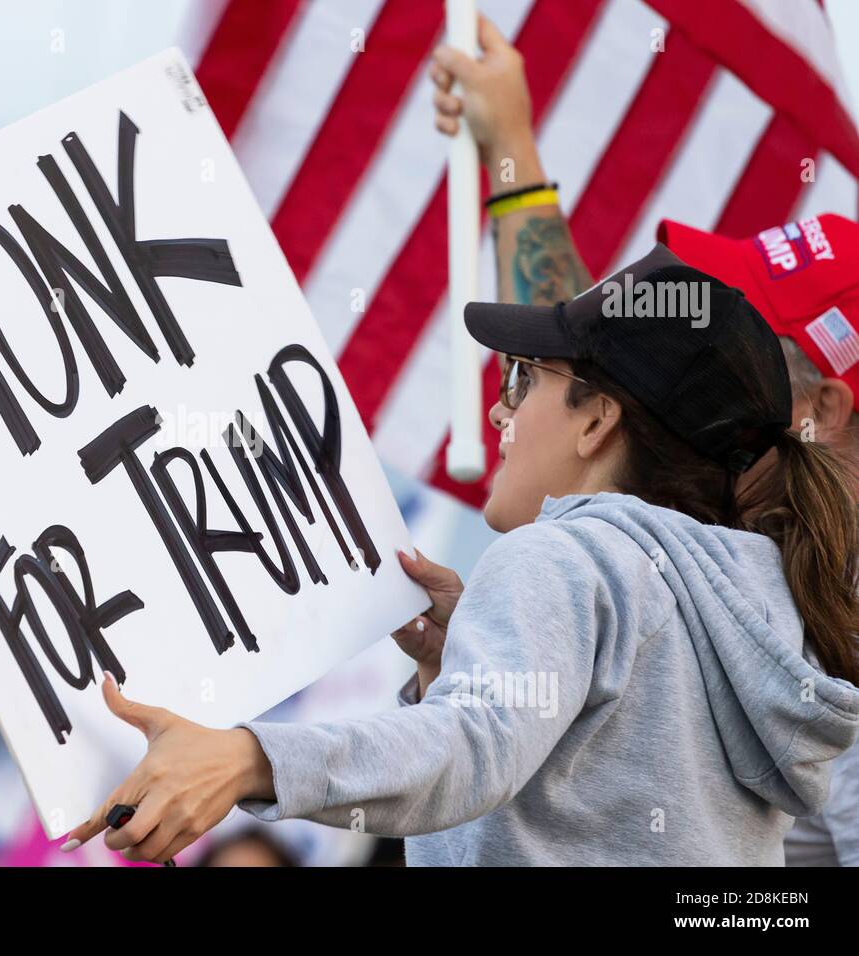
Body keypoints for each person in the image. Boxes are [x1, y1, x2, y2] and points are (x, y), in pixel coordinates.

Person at [60, 244, 859, 865]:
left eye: (524, 375)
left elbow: (473, 748)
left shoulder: (567, 557)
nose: (498, 404)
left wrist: (246, 756)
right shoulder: (761, 599)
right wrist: (462, 664)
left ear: (597, 422)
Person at [431, 13, 859, 866]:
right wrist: (510, 151)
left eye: (734, 346)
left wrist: (263, 762)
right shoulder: (739, 565)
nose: (690, 368)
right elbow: (583, 372)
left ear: (822, 411)